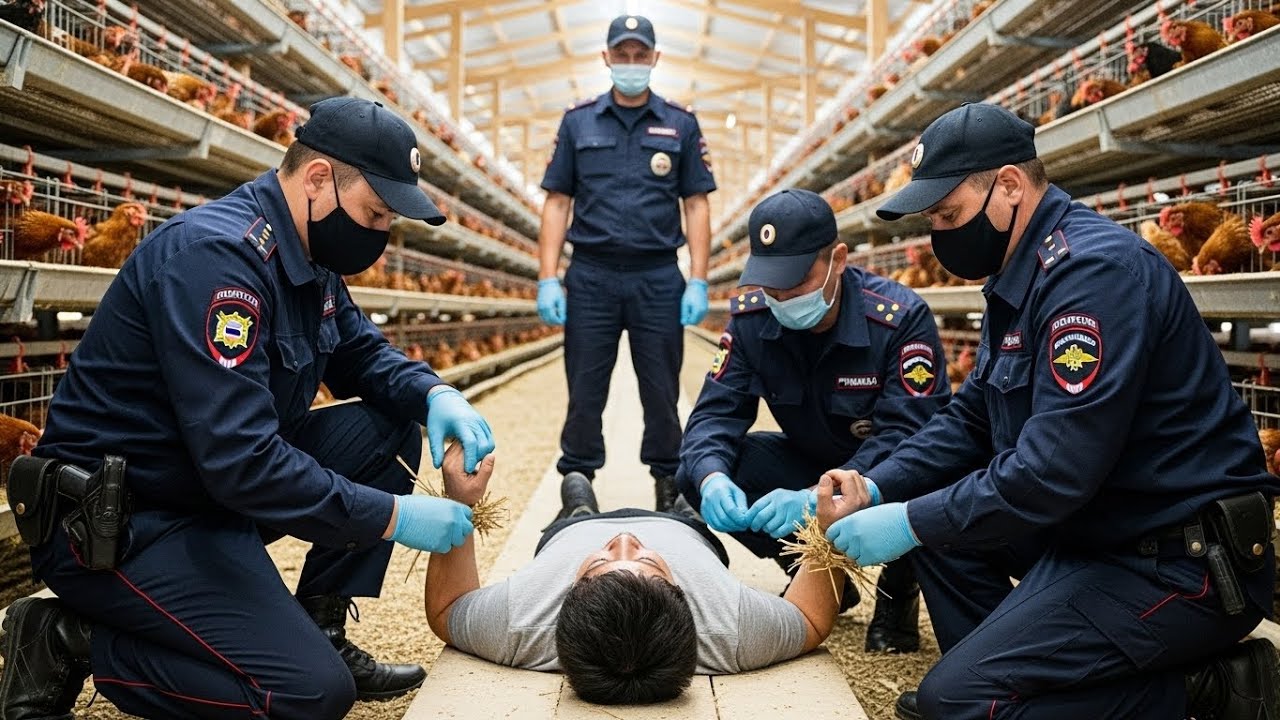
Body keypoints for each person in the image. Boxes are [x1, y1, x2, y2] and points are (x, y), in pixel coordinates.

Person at [0, 97, 496, 720]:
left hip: (207, 496)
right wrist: (393, 517)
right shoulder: (216, 261)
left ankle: (321, 630)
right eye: (375, 212)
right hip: (119, 522)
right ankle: (69, 638)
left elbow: (360, 351)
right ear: (318, 179)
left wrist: (433, 394)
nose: (380, 233)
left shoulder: (308, 255)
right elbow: (242, 460)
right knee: (307, 694)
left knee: (388, 427)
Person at [820, 102, 1280, 720]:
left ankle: (1213, 690)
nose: (940, 235)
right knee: (943, 530)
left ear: (1010, 185)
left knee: (955, 700)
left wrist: (910, 522)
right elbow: (972, 416)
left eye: (948, 214)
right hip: (1098, 528)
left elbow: (1052, 471)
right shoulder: (1022, 273)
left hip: (1179, 561)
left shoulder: (1092, 275)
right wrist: (880, 487)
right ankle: (1013, 678)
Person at [676, 188, 950, 652]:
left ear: (838, 260)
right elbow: (715, 414)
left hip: (882, 470)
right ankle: (818, 574)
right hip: (811, 459)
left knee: (928, 475)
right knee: (696, 469)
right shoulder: (751, 321)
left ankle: (898, 592)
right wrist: (712, 477)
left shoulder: (898, 320)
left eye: (797, 282)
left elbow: (912, 433)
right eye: (771, 285)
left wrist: (824, 493)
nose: (782, 297)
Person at [424, 448, 867, 706]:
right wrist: (828, 529)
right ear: (679, 591)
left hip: (572, 534)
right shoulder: (731, 629)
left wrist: (460, 501)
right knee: (687, 504)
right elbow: (810, 620)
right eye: (648, 562)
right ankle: (673, 497)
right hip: (684, 531)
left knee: (576, 508)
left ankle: (578, 501)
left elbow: (446, 610)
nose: (623, 540)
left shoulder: (519, 624)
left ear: (569, 593)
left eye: (598, 563)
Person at [536, 14, 716, 512]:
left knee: (661, 389)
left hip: (657, 275)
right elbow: (557, 201)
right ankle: (577, 481)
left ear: (655, 58)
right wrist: (547, 277)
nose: (631, 62)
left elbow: (696, 203)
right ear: (606, 57)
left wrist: (698, 279)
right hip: (590, 274)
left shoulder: (681, 124)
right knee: (585, 386)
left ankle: (668, 482)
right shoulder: (578, 122)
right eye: (622, 54)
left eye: (640, 54)